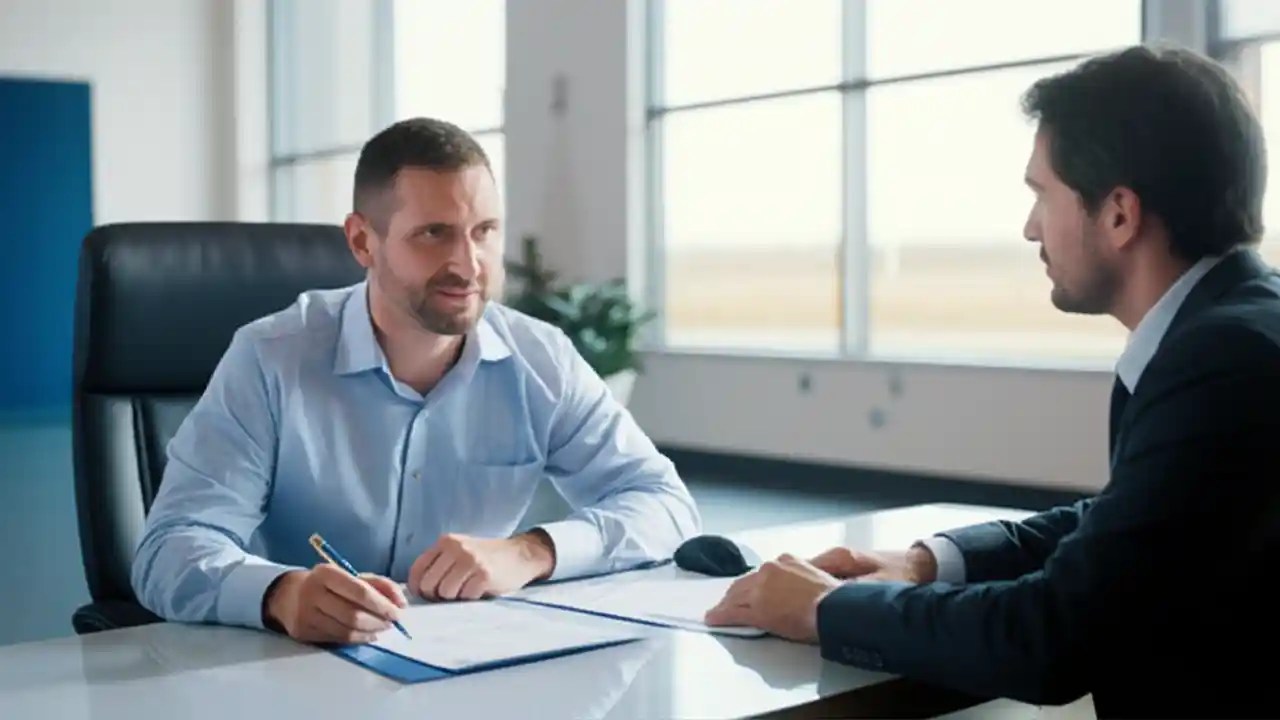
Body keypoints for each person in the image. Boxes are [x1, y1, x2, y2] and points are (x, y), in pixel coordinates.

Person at [705, 45, 1280, 718]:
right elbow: (1125, 524)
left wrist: (827, 608)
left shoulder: (1223, 360)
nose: (1030, 227)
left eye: (1042, 195)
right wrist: (927, 563)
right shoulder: (1237, 330)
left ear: (1119, 214)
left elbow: (1048, 635)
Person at [132, 117, 701, 645]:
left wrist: (531, 552)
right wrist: (281, 594)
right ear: (361, 242)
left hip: (469, 664)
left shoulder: (541, 359)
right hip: (297, 669)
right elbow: (169, 550)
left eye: (484, 231)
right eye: (434, 233)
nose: (468, 263)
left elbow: (664, 505)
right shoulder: (270, 358)